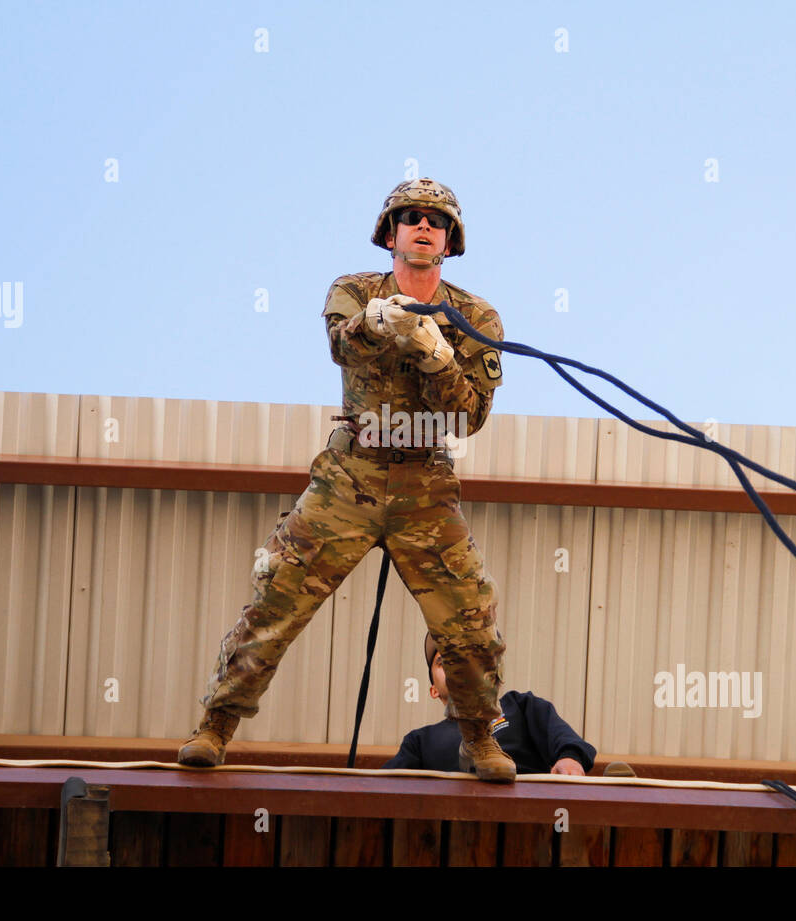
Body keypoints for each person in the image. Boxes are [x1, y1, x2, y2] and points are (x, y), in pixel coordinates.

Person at [179, 177, 516, 782]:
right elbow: (343, 348)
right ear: (390, 233)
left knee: (469, 620)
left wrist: (438, 354)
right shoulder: (355, 292)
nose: (422, 226)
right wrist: (379, 323)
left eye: (435, 221)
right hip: (349, 479)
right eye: (409, 217)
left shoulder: (474, 316)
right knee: (276, 598)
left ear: (449, 241)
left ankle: (479, 740)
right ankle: (215, 728)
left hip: (424, 486)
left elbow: (469, 416)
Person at [385, 633, 596, 775]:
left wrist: (570, 759)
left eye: (465, 658)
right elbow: (383, 788)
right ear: (434, 691)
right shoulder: (420, 741)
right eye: (443, 662)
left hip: (525, 820)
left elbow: (564, 739)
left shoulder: (520, 705)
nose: (456, 666)